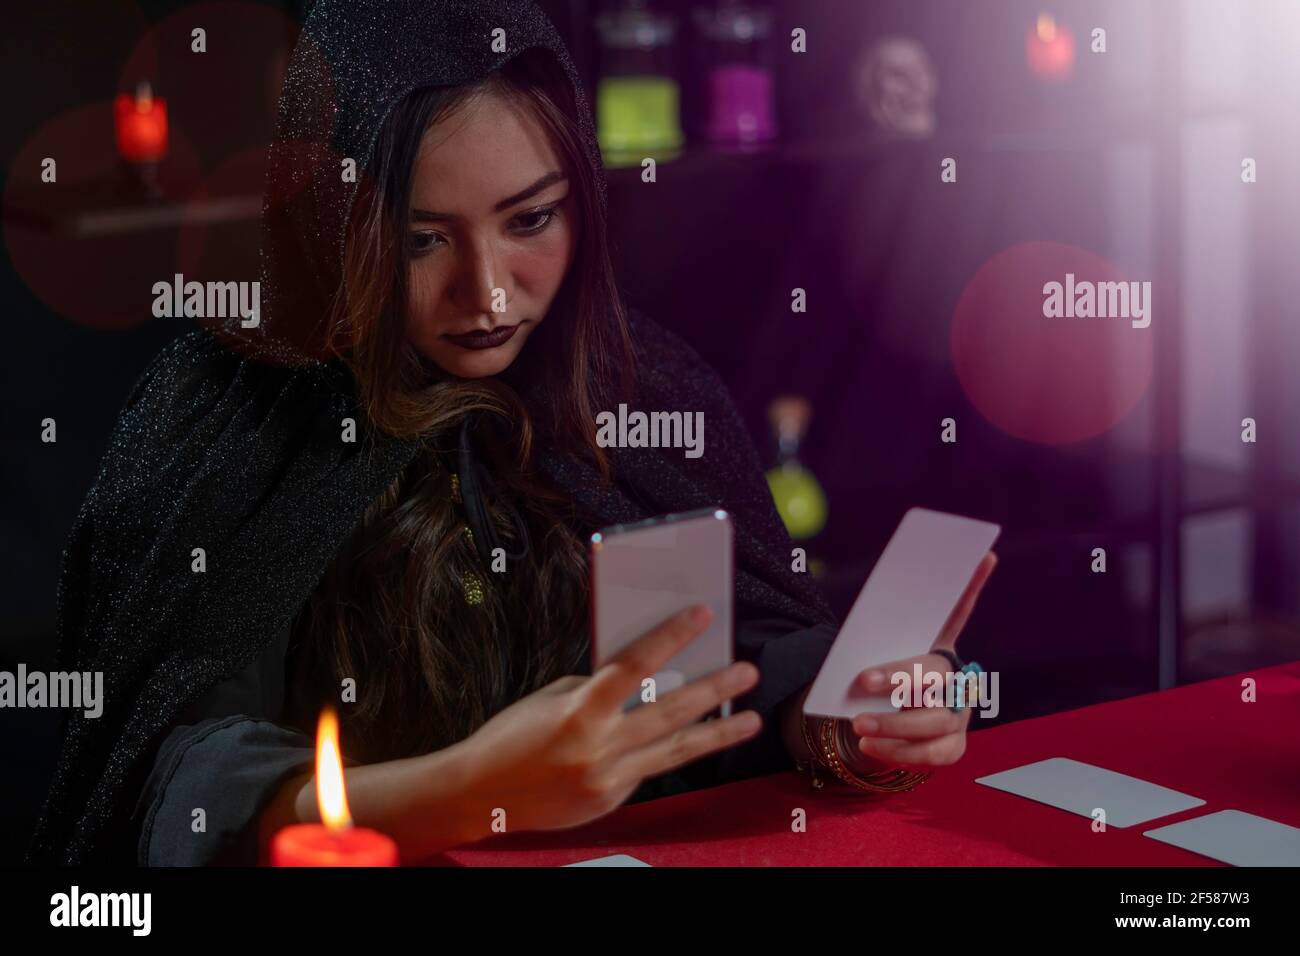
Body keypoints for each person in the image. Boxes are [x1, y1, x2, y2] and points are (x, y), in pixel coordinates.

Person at [28, 0, 995, 867]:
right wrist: (472, 793)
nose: (487, 295)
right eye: (420, 239)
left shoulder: (638, 385)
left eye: (531, 220)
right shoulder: (233, 415)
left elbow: (718, 668)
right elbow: (179, 786)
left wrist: (839, 717)